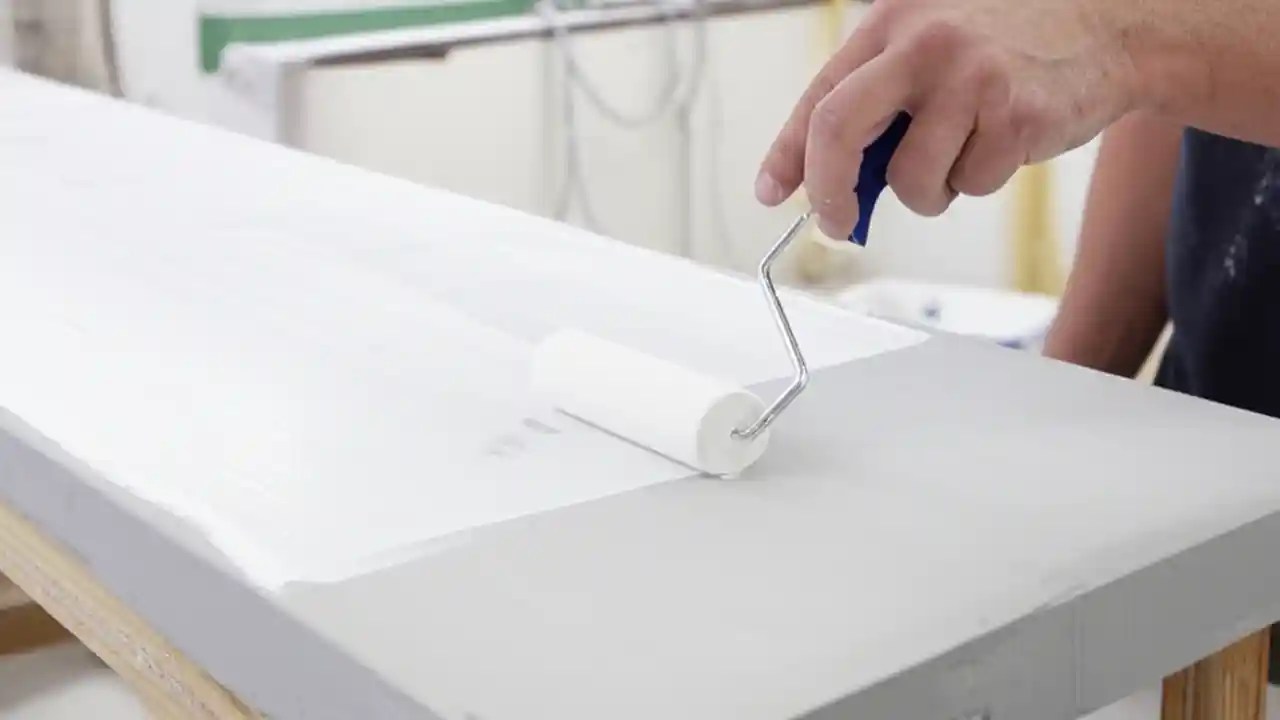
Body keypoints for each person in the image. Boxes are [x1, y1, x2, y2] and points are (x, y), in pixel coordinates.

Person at [753, 0, 1280, 680]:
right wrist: (1064, 394)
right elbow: (1174, 101)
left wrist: (1118, 36)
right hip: (1209, 488)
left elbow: (1155, 47)